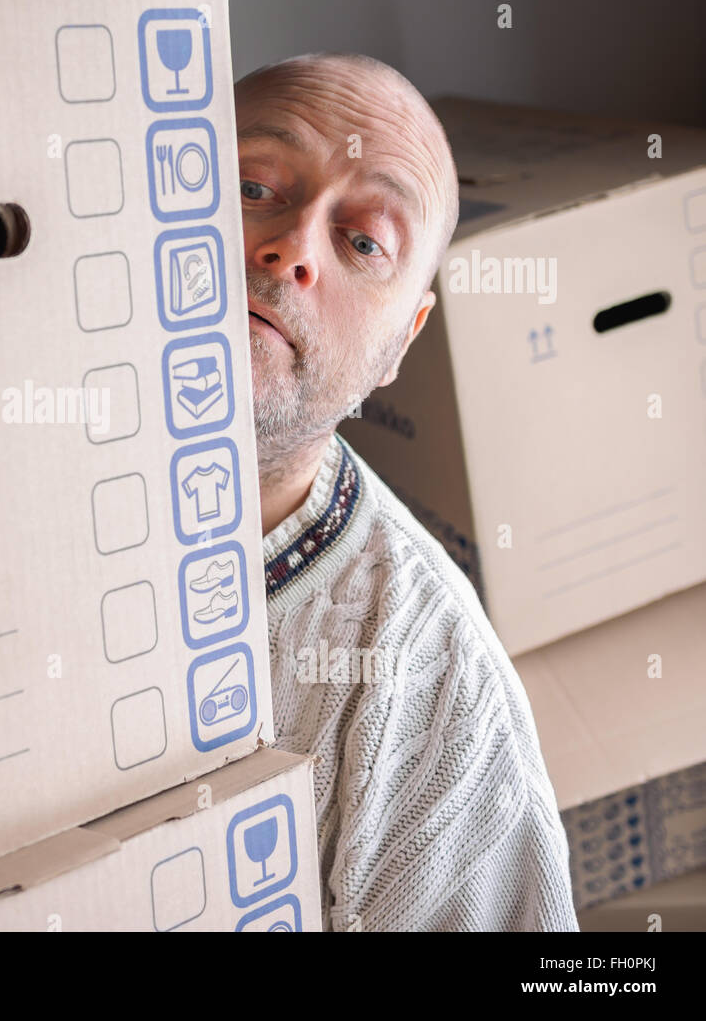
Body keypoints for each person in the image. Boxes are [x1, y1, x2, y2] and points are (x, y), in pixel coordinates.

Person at [237, 53, 578, 931]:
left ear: (400, 344)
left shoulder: (440, 703)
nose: (291, 247)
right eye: (251, 185)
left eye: (361, 242)